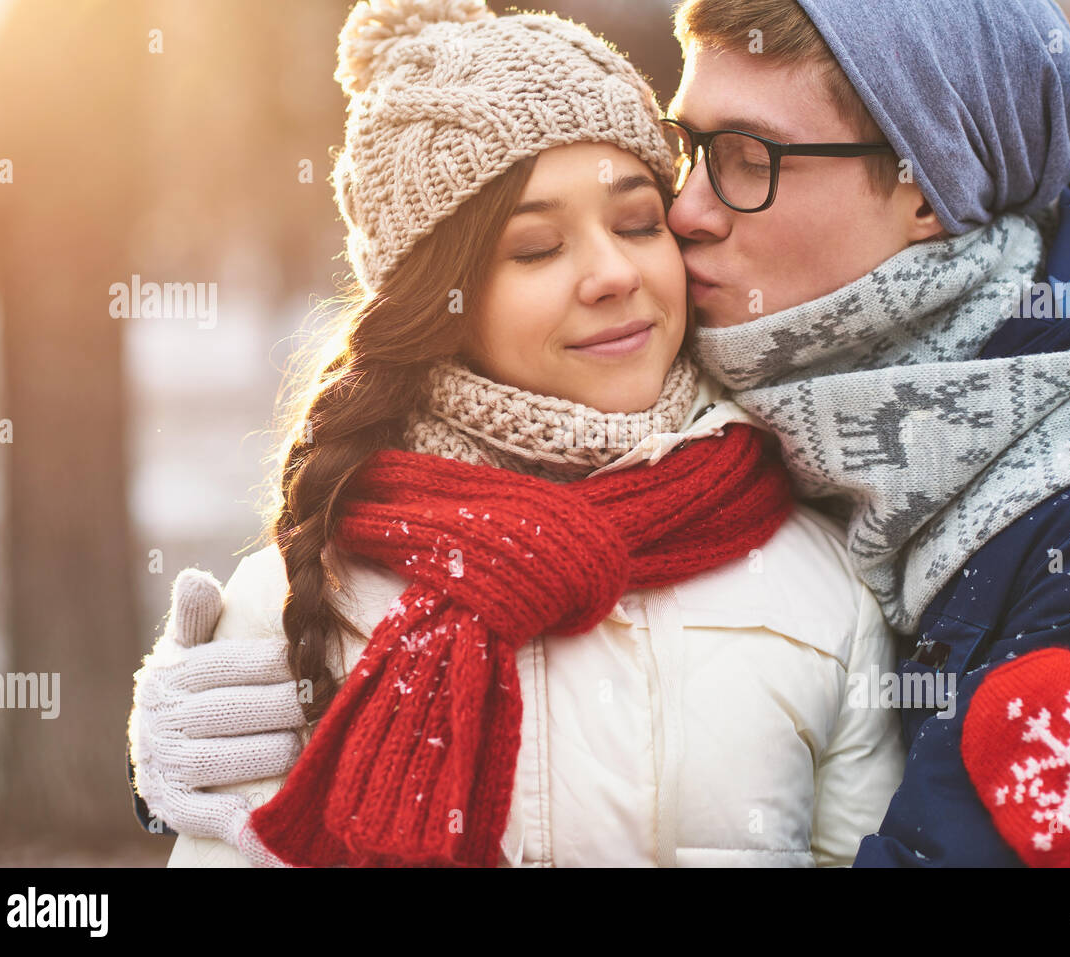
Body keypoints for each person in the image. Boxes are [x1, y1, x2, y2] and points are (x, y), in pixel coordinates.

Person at [128, 0, 904, 868]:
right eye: (536, 248)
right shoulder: (303, 595)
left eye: (639, 222)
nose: (612, 273)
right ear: (441, 304)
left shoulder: (817, 572)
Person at [663, 0, 1070, 866]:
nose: (687, 211)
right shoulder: (781, 408)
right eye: (687, 148)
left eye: (748, 160)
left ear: (927, 192)